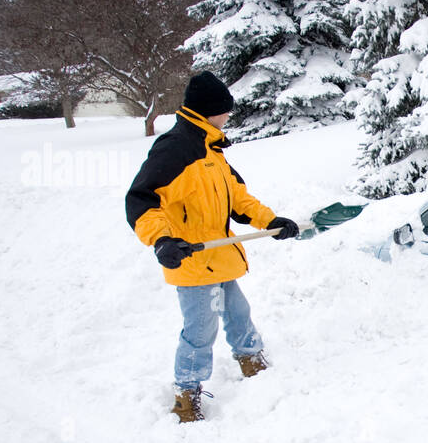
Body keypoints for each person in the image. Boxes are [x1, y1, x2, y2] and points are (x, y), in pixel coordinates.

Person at [125, 71, 300, 422]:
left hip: (217, 256)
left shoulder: (211, 148)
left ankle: (252, 359)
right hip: (191, 259)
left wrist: (270, 221)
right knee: (201, 329)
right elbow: (142, 199)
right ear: (210, 111)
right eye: (225, 110)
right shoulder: (176, 148)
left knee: (237, 312)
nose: (228, 116)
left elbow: (237, 197)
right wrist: (162, 240)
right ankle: (186, 394)